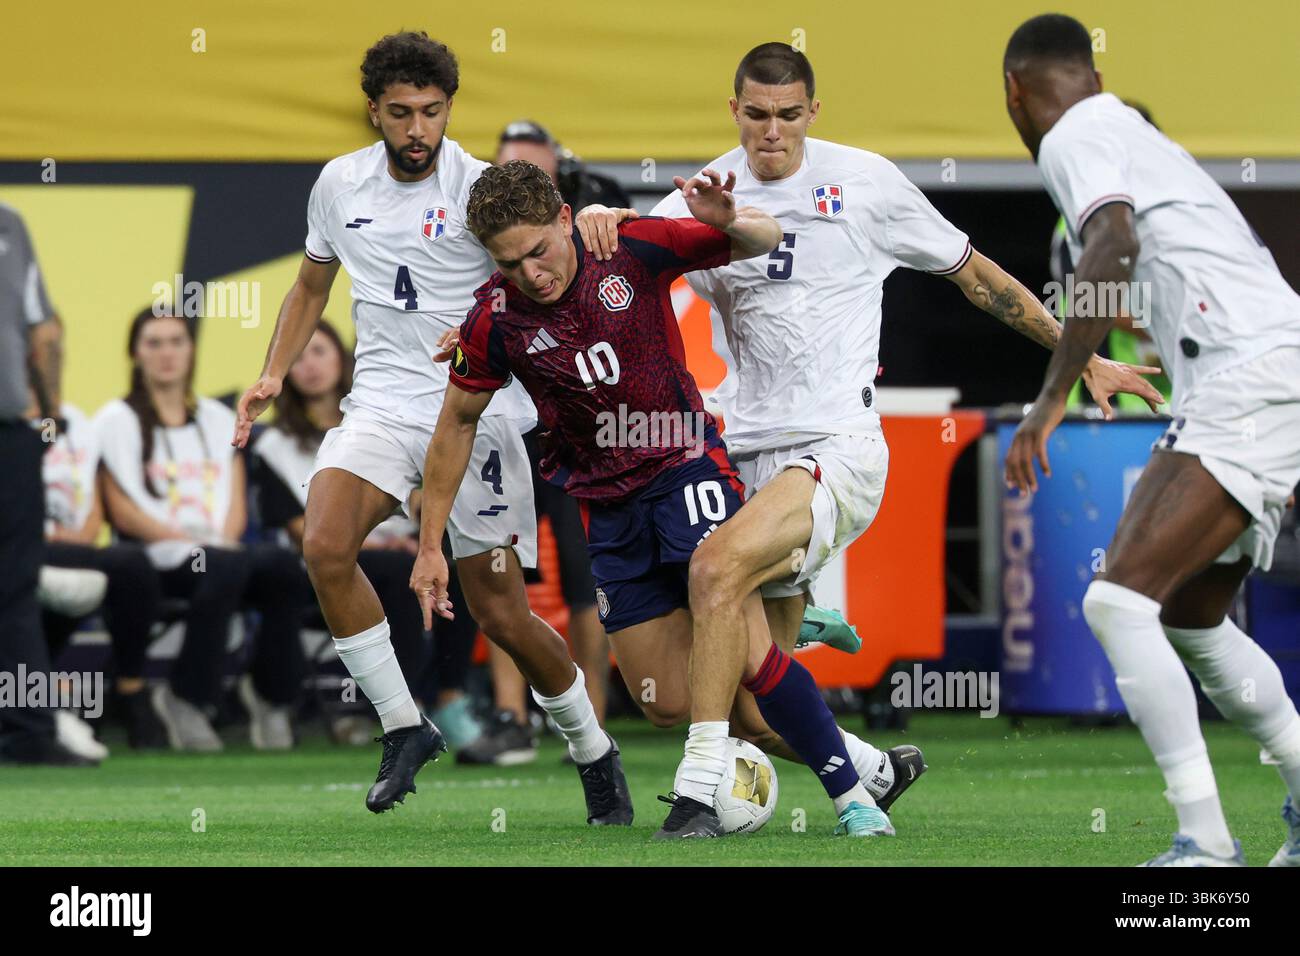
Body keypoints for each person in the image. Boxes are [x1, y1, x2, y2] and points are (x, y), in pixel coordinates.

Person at [576, 41, 1164, 837]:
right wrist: (597, 221)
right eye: (756, 115)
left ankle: (696, 792)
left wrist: (1079, 352)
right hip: (738, 455)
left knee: (715, 568)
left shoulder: (866, 183)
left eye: (788, 116)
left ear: (813, 113)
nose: (771, 132)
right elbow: (608, 271)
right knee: (733, 699)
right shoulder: (703, 194)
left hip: (836, 448)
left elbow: (977, 275)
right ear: (734, 110)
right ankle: (871, 770)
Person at [412, 159, 914, 840]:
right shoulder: (494, 319)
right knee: (667, 701)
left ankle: (814, 798)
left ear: (565, 219)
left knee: (750, 673)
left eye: (539, 249)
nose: (531, 272)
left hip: (686, 471)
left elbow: (763, 239)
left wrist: (729, 218)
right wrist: (428, 545)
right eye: (510, 262)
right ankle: (872, 766)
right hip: (607, 508)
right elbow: (456, 424)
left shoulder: (629, 246)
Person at [231, 32, 629, 824]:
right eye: (402, 113)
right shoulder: (339, 184)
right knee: (323, 544)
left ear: (450, 110)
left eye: (433, 112)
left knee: (502, 615)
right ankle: (405, 725)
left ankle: (594, 750)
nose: (418, 129)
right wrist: (274, 371)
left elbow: (547, 279)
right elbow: (312, 286)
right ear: (374, 110)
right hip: (380, 405)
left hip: (474, 413)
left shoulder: (483, 189)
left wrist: (585, 234)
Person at [1001, 13, 1300, 867]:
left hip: (1248, 377)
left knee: (1116, 602)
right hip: (1253, 374)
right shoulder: (1124, 126)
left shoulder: (1077, 132)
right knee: (1193, 617)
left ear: (1015, 93)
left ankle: (1204, 844)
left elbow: (1114, 243)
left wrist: (1051, 396)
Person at [250, 319, 485, 750]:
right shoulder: (274, 445)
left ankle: (452, 697)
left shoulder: (383, 426)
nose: (310, 366)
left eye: (319, 352)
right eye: (298, 357)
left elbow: (417, 495)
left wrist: (425, 528)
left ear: (342, 357)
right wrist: (372, 538)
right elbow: (299, 526)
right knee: (395, 569)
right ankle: (402, 708)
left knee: (457, 569)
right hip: (326, 564)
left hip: (404, 546)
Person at [98, 308, 308, 751]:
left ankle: (271, 696)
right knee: (224, 567)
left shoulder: (217, 418)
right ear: (135, 353)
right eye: (154, 343)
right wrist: (188, 543)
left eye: (176, 341)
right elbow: (120, 509)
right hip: (159, 557)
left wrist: (223, 544)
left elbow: (234, 504)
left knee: (283, 567)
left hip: (220, 552)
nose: (166, 353)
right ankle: (187, 698)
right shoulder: (114, 420)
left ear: (192, 350)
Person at [0, 202, 94, 765]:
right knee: (12, 590)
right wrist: (52, 412)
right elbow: (45, 338)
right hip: (6, 432)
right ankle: (28, 733)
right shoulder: (7, 225)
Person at [33, 386, 166, 750]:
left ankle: (129, 688)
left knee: (129, 564)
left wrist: (72, 539)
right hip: (15, 552)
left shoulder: (76, 423)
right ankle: (34, 693)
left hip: (68, 548)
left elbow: (92, 514)